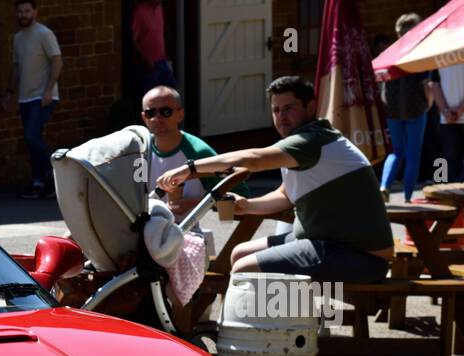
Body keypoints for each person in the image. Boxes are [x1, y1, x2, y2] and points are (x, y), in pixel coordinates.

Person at [157, 75, 393, 282]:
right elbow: (285, 195)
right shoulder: (301, 143)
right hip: (324, 242)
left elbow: (254, 159)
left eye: (289, 108)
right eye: (276, 110)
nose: (281, 117)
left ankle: (271, 331)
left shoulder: (311, 141)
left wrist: (190, 169)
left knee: (245, 268)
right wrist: (247, 205)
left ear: (310, 107)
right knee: (238, 253)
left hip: (359, 255)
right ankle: (276, 323)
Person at [141, 85, 242, 222]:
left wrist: (195, 203)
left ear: (180, 114)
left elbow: (241, 195)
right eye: (151, 113)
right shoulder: (139, 152)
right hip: (147, 231)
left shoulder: (199, 152)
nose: (157, 118)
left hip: (190, 233)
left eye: (165, 111)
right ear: (144, 117)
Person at [6, 1, 62, 199]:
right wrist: (10, 92)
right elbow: (16, 67)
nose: (23, 15)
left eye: (27, 11)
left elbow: (57, 60)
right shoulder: (18, 38)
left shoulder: (44, 33)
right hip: (25, 97)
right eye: (20, 11)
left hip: (43, 96)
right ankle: (39, 182)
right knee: (31, 141)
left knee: (32, 136)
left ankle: (52, 175)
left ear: (35, 12)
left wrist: (48, 90)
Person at [380, 14, 431, 201]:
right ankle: (408, 197)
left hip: (393, 110)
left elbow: (381, 82)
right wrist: (429, 103)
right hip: (416, 108)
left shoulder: (389, 53)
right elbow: (427, 84)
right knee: (413, 153)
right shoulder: (418, 53)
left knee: (395, 151)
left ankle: (385, 185)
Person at [130, 0, 175, 97]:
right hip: (149, 65)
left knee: (172, 93)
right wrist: (146, 60)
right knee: (151, 99)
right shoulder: (140, 11)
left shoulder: (159, 9)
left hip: (162, 61)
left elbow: (160, 33)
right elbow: (133, 40)